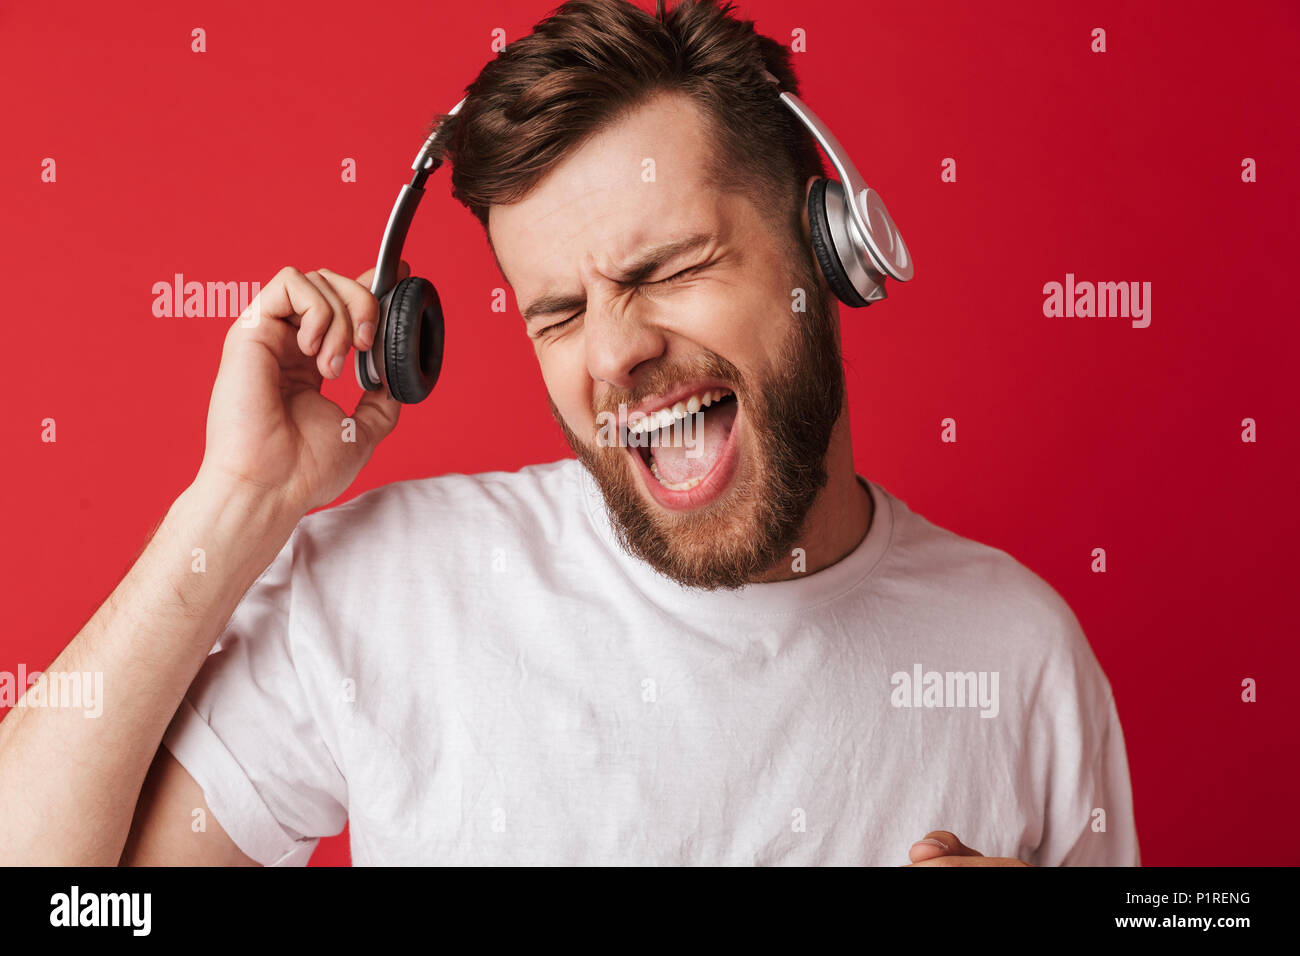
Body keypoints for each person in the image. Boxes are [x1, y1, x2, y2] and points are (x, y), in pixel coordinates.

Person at [0, 0, 1138, 866]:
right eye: (557, 312)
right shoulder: (392, 585)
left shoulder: (1018, 652)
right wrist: (236, 499)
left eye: (672, 267)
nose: (612, 354)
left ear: (824, 243)